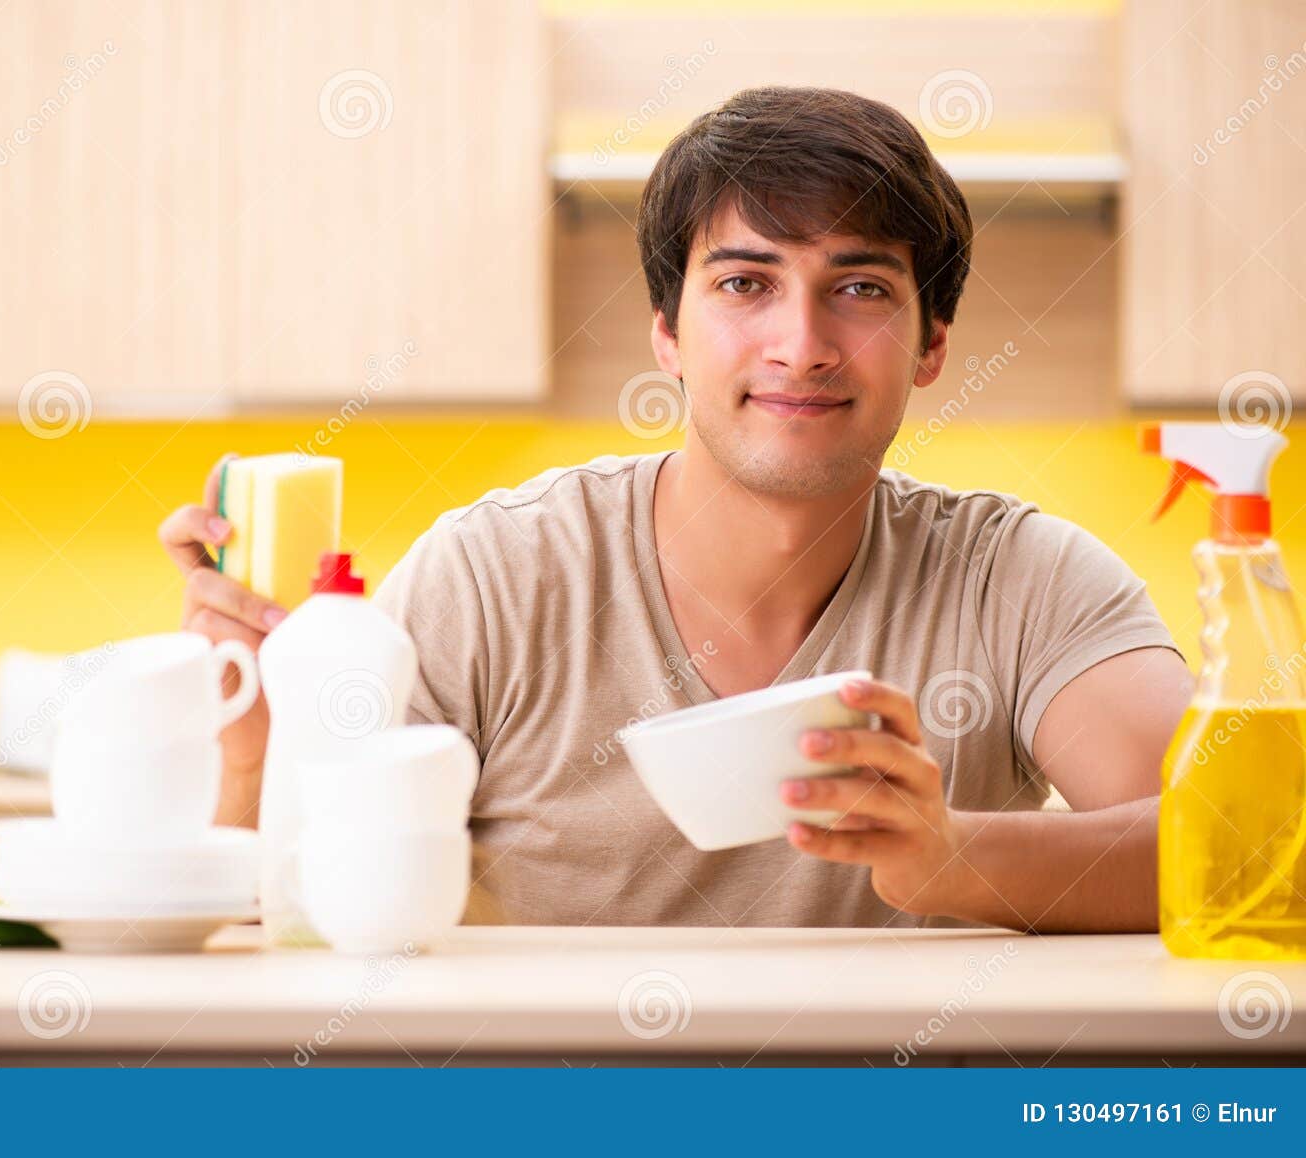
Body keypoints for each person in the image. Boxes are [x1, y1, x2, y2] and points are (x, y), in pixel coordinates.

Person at [160, 86, 1192, 932]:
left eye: (862, 289)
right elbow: (289, 910)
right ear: (667, 333)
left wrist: (954, 858)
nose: (801, 344)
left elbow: (1240, 847)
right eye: (746, 284)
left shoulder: (1025, 579)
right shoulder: (493, 575)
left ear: (931, 344)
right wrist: (259, 750)